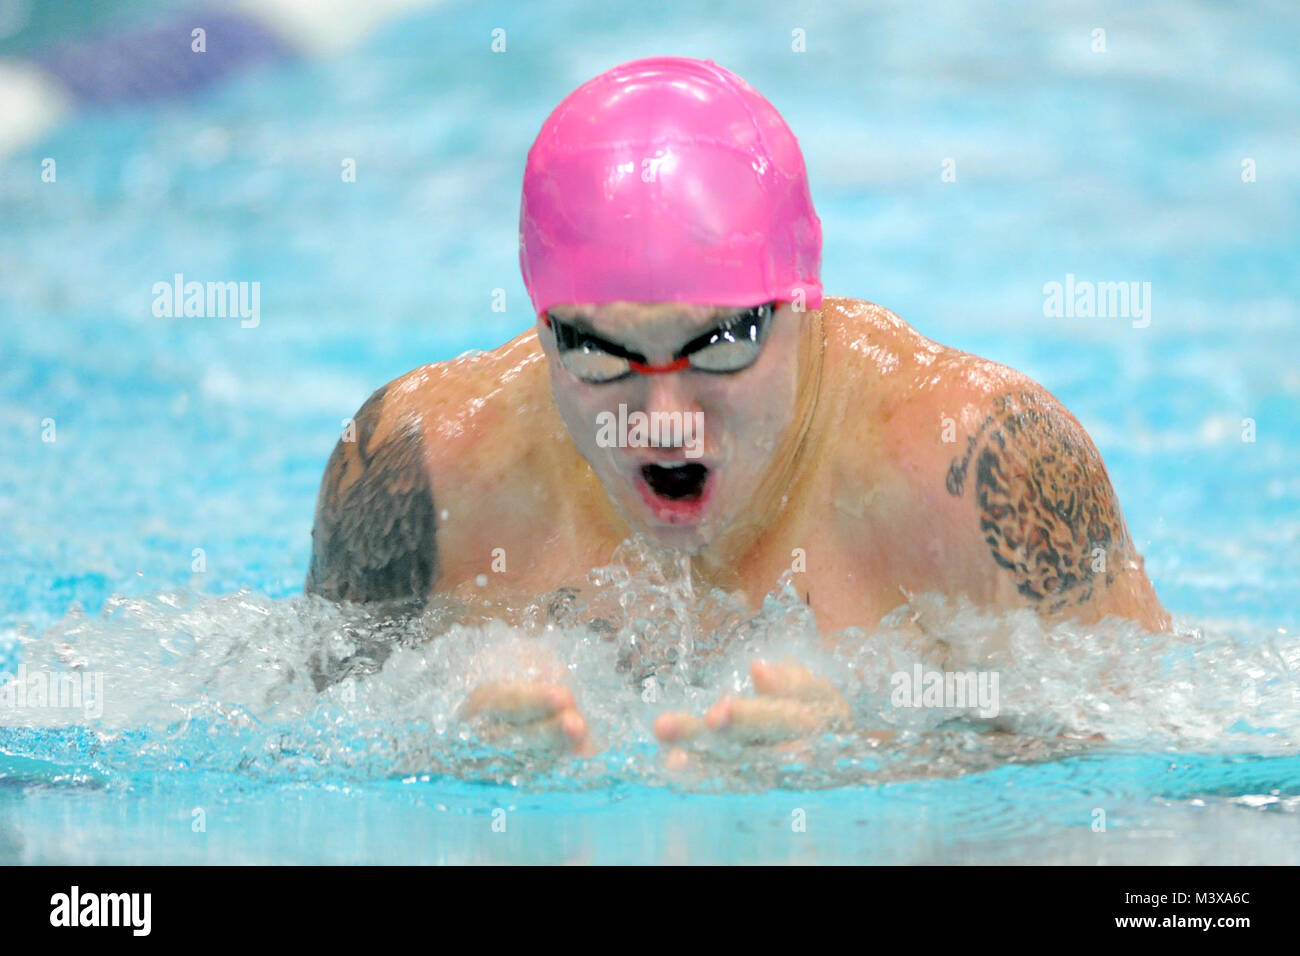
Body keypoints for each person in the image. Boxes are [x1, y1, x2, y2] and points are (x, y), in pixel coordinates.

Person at [305, 56, 1169, 757]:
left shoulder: (972, 467)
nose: (664, 414)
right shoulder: (423, 469)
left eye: (721, 346)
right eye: (601, 357)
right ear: (544, 328)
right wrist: (432, 752)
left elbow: (1153, 772)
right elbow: (288, 747)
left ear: (805, 307)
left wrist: (884, 753)